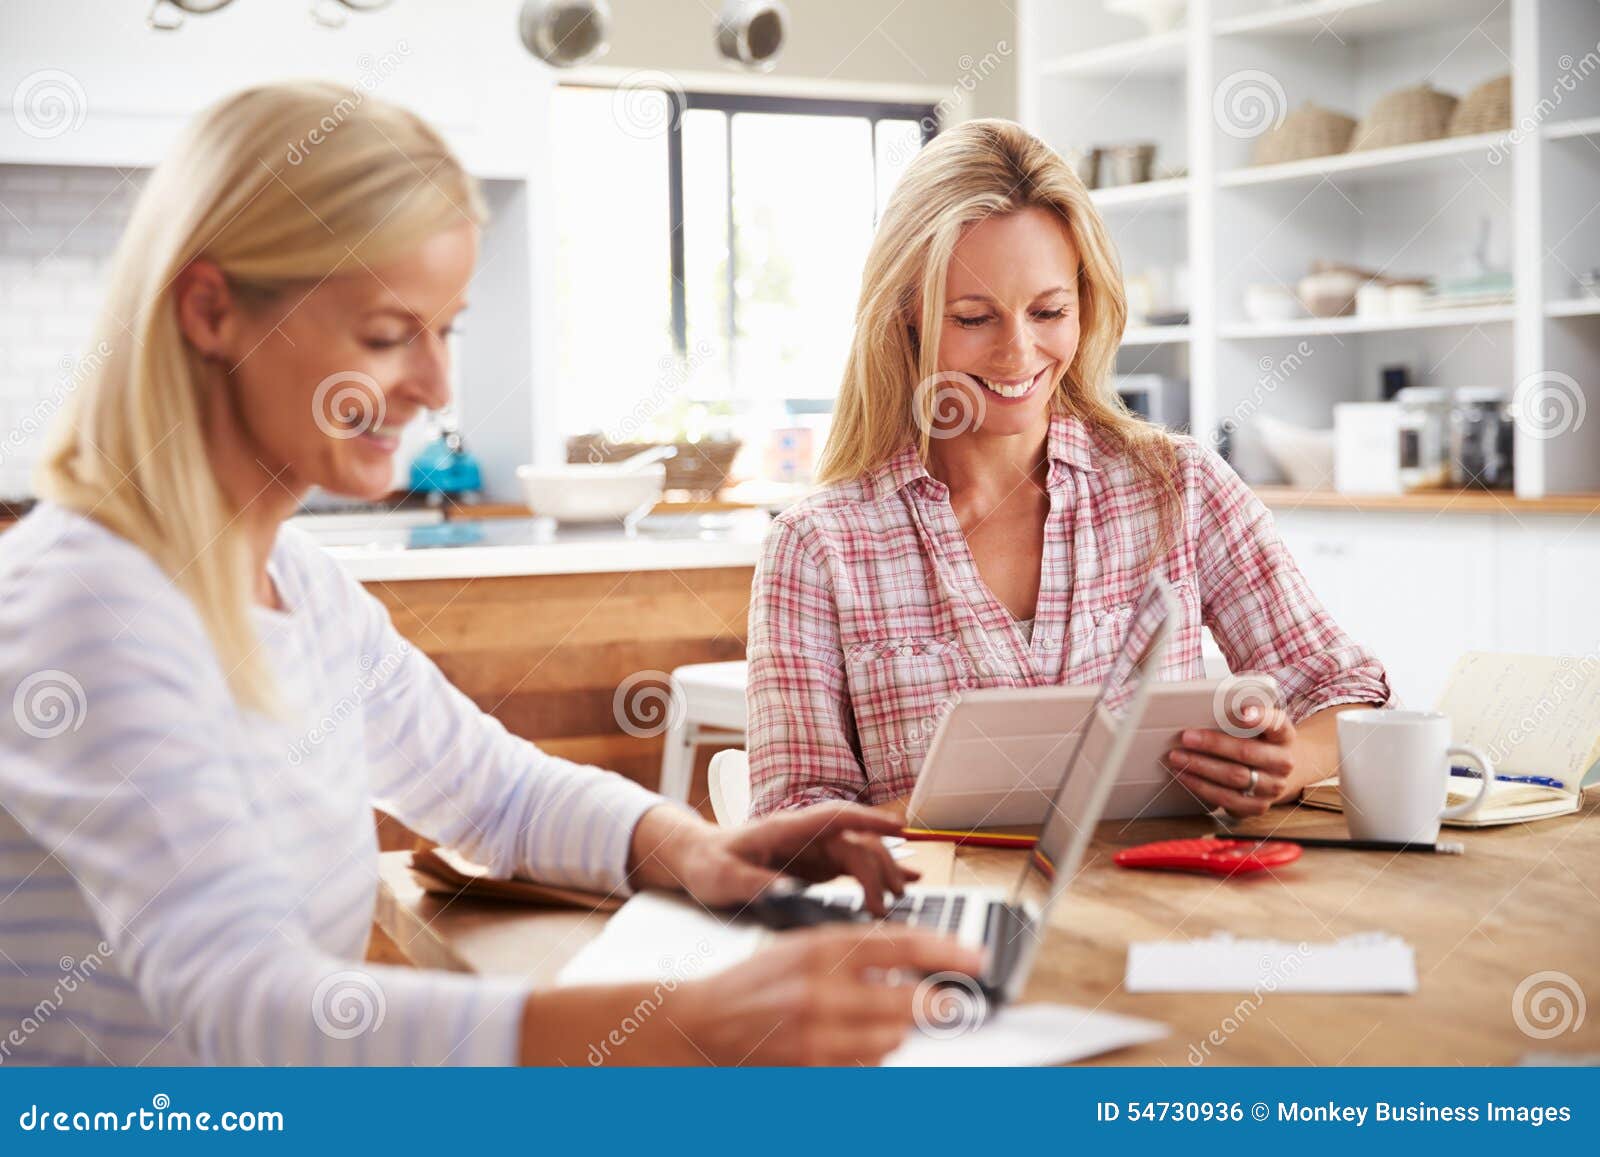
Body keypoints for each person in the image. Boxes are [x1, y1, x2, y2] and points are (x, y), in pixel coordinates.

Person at [0, 83, 981, 1068]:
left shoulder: (295, 582)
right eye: (388, 335)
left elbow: (490, 791)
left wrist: (693, 848)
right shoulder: (89, 609)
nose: (435, 387)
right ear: (210, 308)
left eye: (446, 329)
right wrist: (686, 1023)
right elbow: (248, 1006)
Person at [746, 119, 1389, 821]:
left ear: (1086, 302)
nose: (1018, 354)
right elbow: (793, 821)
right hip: (944, 925)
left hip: (1163, 914)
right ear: (906, 313)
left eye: (1048, 310)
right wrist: (965, 806)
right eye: (972, 318)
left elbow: (1345, 690)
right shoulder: (817, 547)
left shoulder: (1178, 487)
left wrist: (1283, 764)